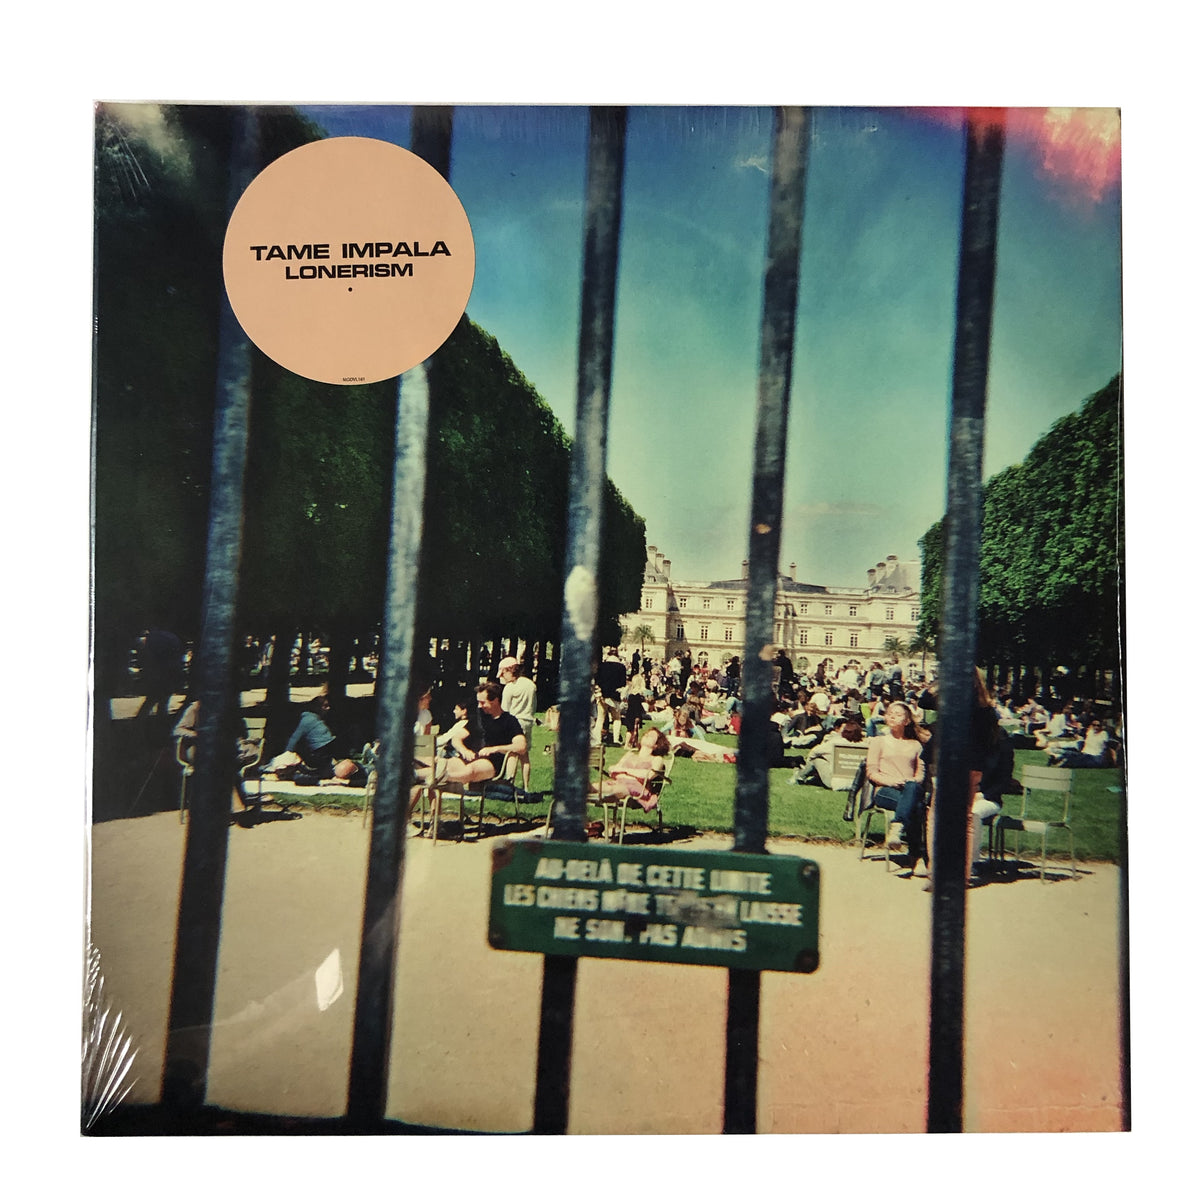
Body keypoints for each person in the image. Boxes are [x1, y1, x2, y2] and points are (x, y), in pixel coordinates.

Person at [411, 681, 528, 810]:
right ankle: (415, 775)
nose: (479, 706)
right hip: (468, 757)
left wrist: (495, 748)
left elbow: (521, 746)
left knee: (469, 771)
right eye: (478, 702)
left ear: (495, 700)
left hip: (491, 762)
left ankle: (429, 776)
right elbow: (456, 738)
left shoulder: (509, 721)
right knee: (444, 764)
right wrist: (464, 750)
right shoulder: (478, 718)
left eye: (482, 702)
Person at [865, 701, 926, 862]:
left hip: (909, 788)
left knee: (913, 793)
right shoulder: (878, 741)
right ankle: (917, 856)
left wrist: (910, 781)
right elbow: (871, 772)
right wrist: (892, 782)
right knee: (916, 806)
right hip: (885, 789)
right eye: (890, 713)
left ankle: (897, 826)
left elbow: (920, 774)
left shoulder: (916, 745)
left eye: (898, 714)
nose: (892, 716)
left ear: (907, 721)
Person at [593, 728, 671, 811]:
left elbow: (649, 775)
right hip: (617, 782)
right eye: (646, 733)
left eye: (651, 735)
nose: (647, 735)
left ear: (656, 745)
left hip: (637, 789)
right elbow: (612, 770)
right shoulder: (629, 755)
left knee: (610, 790)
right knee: (591, 787)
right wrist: (629, 774)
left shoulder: (657, 759)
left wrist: (625, 771)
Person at [498, 657, 537, 788]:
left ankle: (510, 784)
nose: (502, 677)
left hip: (515, 723)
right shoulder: (530, 684)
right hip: (528, 721)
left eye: (503, 673)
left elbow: (505, 709)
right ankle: (526, 787)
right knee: (524, 756)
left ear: (509, 670)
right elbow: (534, 705)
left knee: (512, 754)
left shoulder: (509, 688)